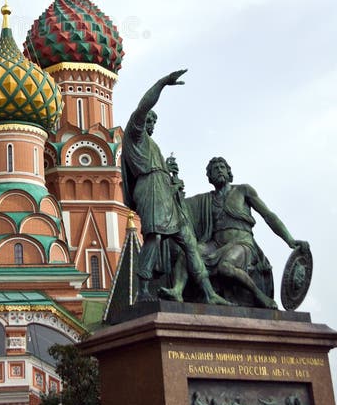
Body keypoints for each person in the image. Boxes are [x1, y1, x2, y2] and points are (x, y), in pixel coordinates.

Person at [121, 70, 227, 303]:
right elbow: (143, 106)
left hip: (163, 190)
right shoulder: (135, 134)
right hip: (150, 188)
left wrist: (170, 179)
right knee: (154, 237)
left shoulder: (151, 144)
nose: (151, 124)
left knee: (189, 242)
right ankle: (143, 290)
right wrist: (162, 83)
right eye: (149, 120)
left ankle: (209, 293)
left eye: (154, 121)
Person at [161, 156, 309, 308]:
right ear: (210, 177)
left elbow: (269, 216)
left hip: (243, 243)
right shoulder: (206, 199)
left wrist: (289, 240)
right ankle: (177, 291)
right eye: (215, 169)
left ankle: (260, 296)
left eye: (222, 167)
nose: (219, 170)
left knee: (225, 266)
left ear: (228, 172)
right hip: (215, 244)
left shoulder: (243, 190)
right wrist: (168, 180)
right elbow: (180, 207)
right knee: (188, 252)